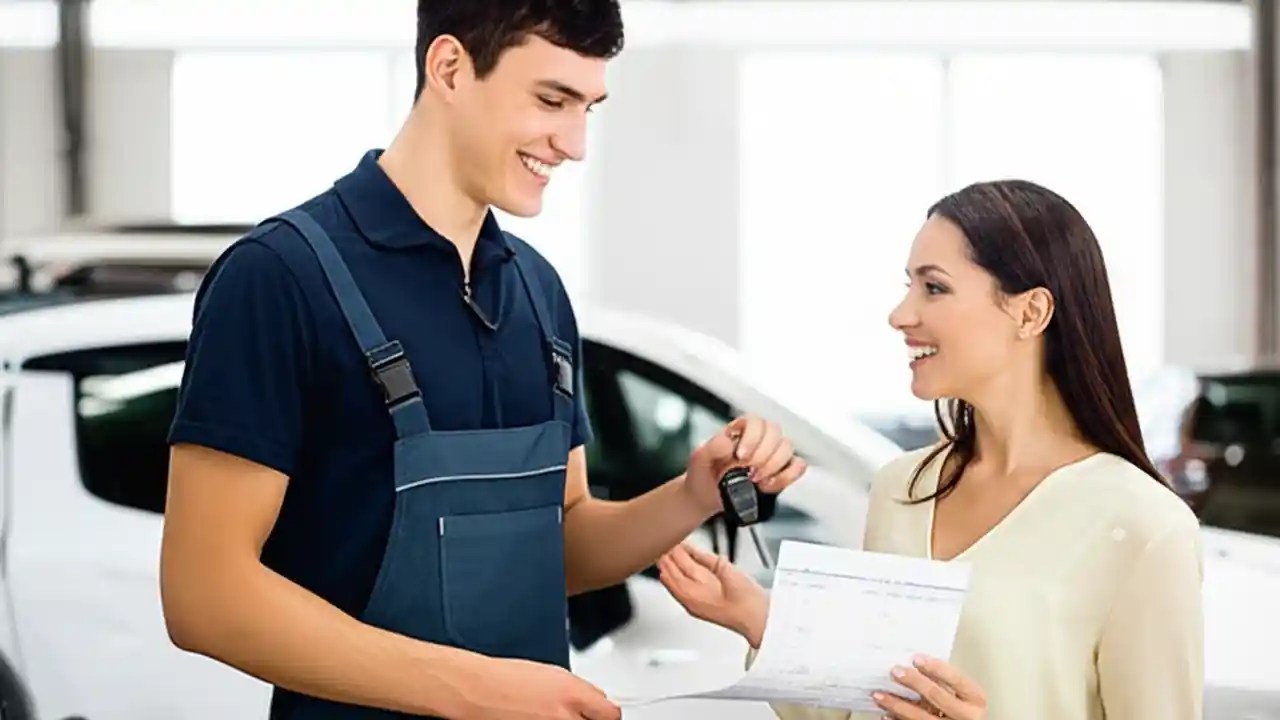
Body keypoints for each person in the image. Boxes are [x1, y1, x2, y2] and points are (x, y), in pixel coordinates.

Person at [156, 3, 808, 719]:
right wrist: (474, 690)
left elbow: (559, 541)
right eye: (551, 100)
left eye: (589, 106)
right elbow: (203, 594)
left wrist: (690, 494)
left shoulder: (537, 290)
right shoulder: (278, 279)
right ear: (449, 69)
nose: (575, 143)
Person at [658, 179, 1204, 720]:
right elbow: (853, 707)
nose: (900, 315)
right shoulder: (903, 488)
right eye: (909, 286)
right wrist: (762, 619)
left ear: (1030, 312)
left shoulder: (1143, 525)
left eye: (934, 288)